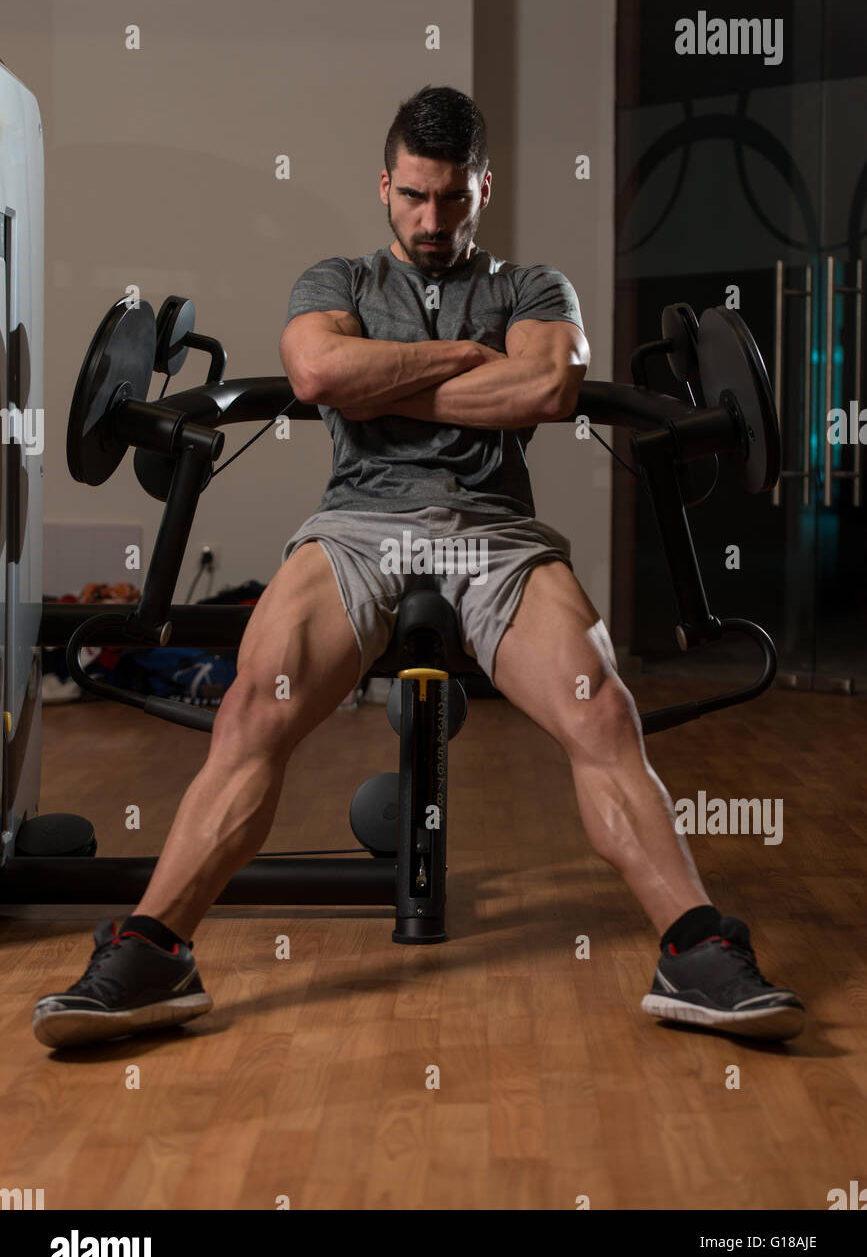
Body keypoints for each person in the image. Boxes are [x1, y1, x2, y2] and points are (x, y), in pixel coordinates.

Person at [33, 85, 804, 1049]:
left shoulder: (535, 288)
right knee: (253, 706)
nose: (430, 220)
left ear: (483, 187)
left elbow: (550, 385)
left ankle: (695, 952)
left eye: (451, 199)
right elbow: (317, 377)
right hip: (357, 525)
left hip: (496, 535)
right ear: (384, 186)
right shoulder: (335, 279)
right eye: (411, 198)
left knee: (600, 706)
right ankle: (154, 949)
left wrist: (387, 377)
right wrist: (468, 364)